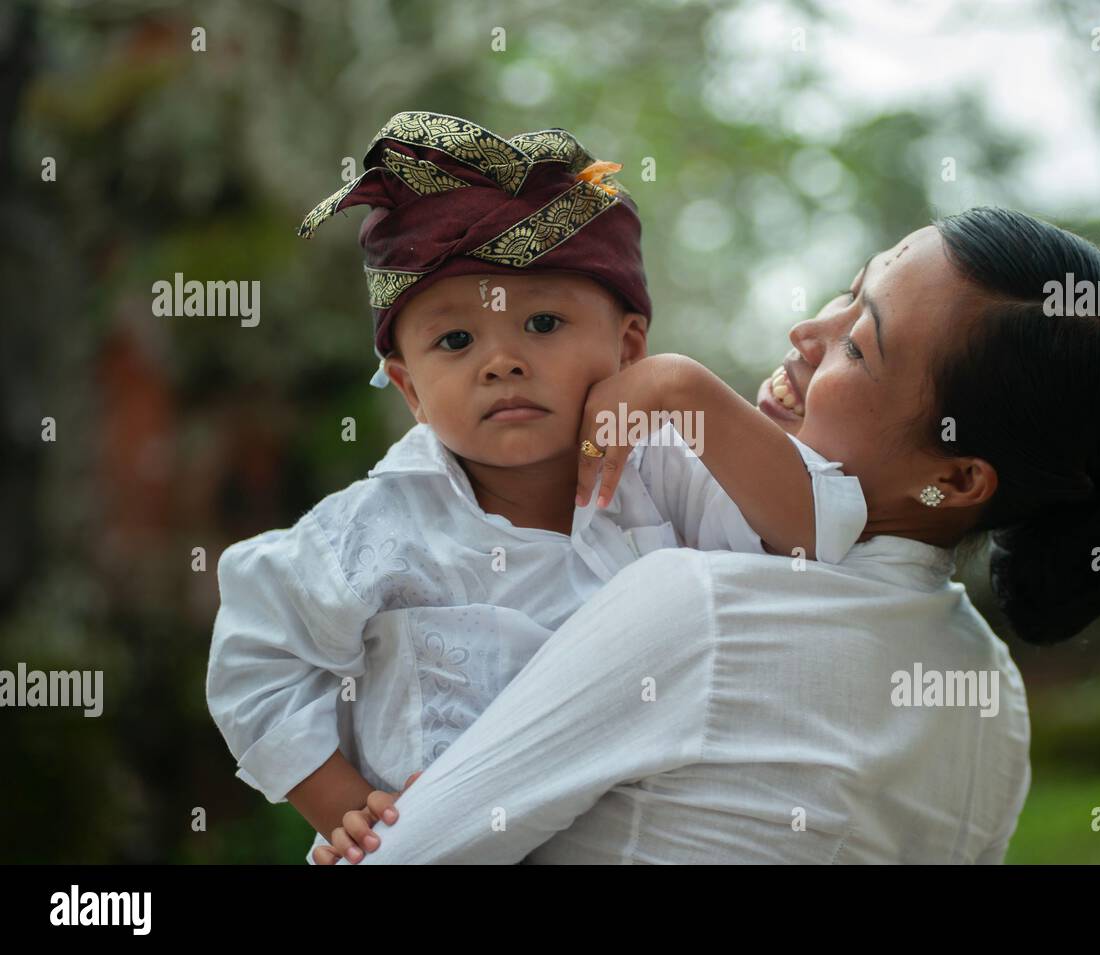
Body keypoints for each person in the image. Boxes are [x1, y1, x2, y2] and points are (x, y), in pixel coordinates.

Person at [318, 207, 1100, 864]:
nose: (808, 334)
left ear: (957, 478)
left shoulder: (700, 608)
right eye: (849, 291)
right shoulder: (992, 700)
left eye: (861, 345)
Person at [205, 111, 869, 861]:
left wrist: (684, 391)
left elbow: (822, 531)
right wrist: (346, 807)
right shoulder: (374, 529)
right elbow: (255, 658)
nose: (501, 361)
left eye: (544, 322)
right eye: (455, 340)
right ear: (410, 390)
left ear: (628, 348)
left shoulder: (669, 476)